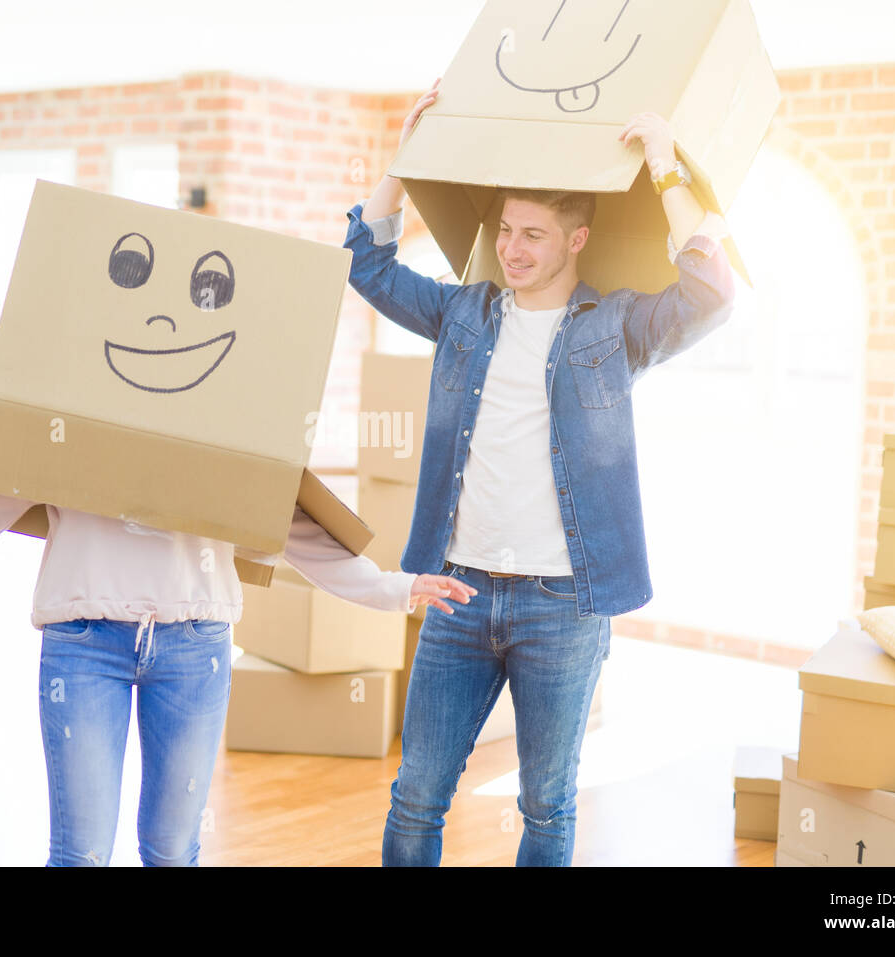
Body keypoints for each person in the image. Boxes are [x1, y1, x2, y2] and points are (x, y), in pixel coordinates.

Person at [343, 79, 737, 866]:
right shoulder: (465, 313)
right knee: (417, 791)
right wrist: (403, 159)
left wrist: (664, 166)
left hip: (564, 604)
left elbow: (711, 291)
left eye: (532, 234)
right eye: (505, 230)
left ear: (576, 239)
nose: (513, 249)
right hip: (458, 592)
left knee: (547, 803)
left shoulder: (615, 328)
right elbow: (368, 264)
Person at [0, 492, 476, 866]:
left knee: (172, 849)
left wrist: (395, 588)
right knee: (80, 853)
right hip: (83, 647)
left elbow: (299, 532)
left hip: (193, 648)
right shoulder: (62, 412)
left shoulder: (227, 412)